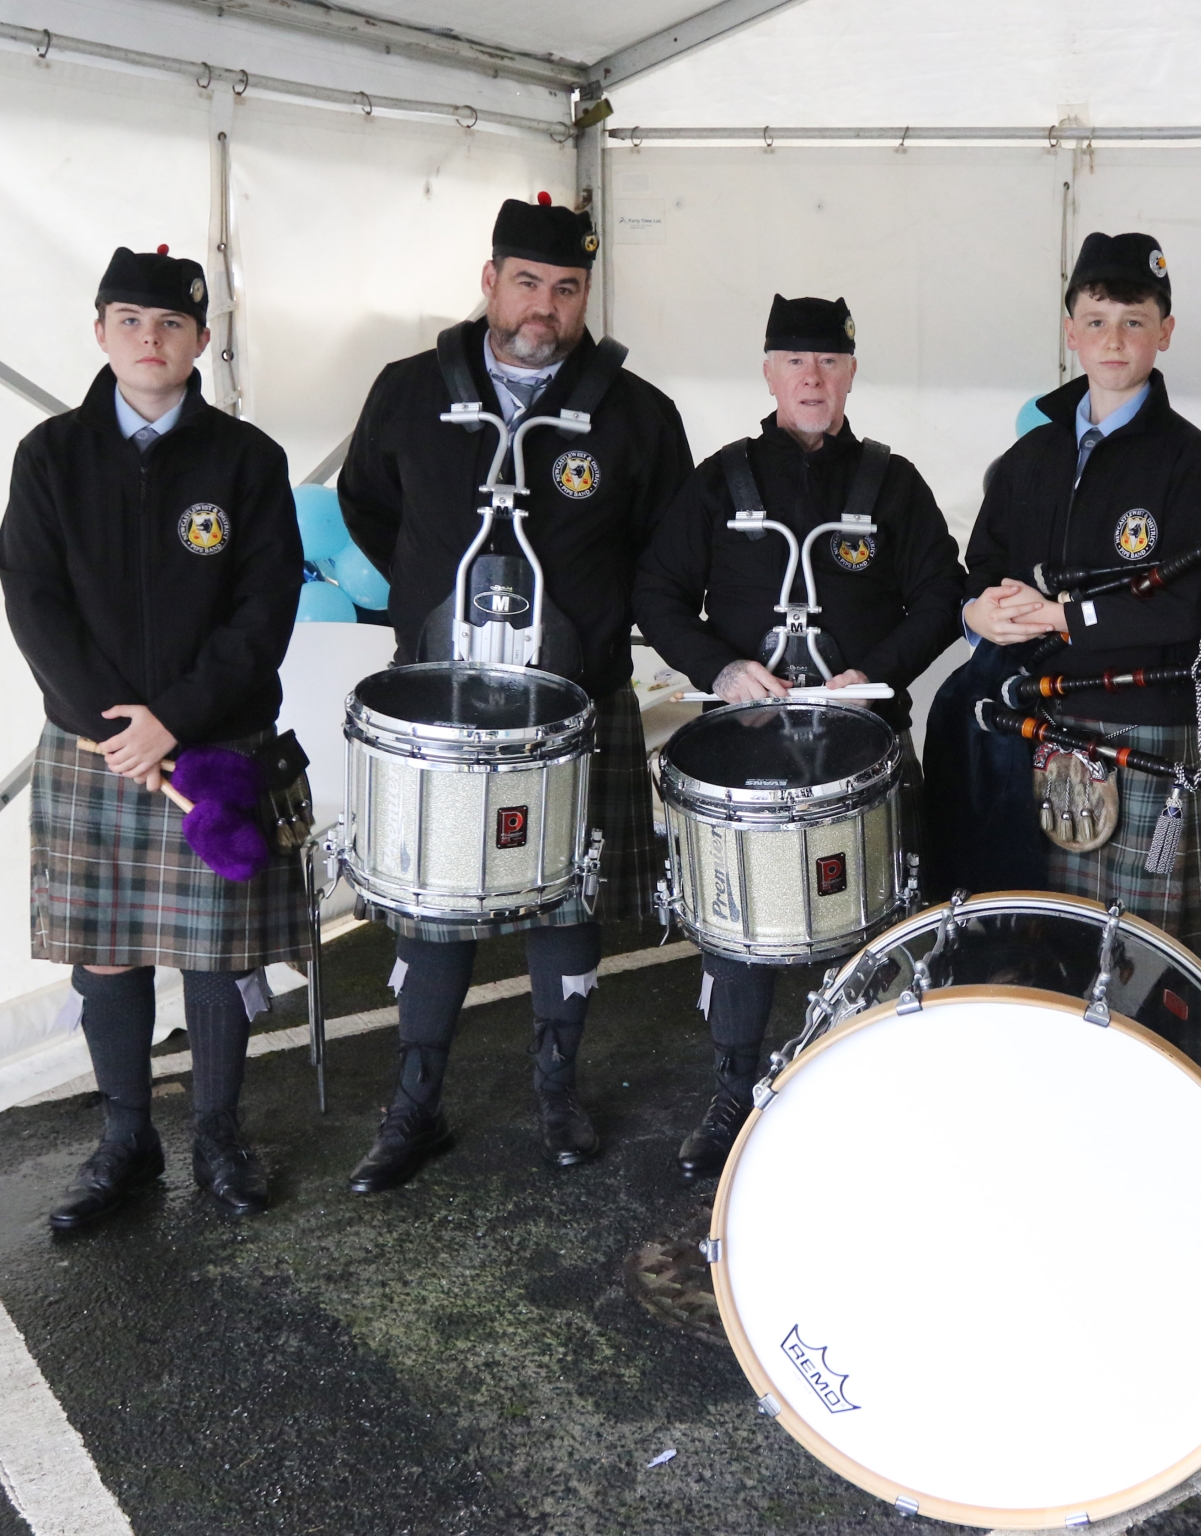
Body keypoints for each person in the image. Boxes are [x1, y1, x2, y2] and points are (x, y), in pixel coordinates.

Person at [338, 193, 693, 1191]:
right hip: (442, 703)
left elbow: (668, 545)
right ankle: (416, 1104)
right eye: (528, 282)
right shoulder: (409, 391)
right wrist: (425, 590)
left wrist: (594, 610)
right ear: (490, 281)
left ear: (586, 297)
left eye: (567, 289)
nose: (545, 306)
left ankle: (556, 1086)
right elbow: (370, 505)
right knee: (433, 899)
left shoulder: (638, 413)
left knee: (566, 890)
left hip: (576, 699)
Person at [1, 246, 305, 1226]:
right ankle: (126, 1141)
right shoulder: (49, 455)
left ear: (201, 340)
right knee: (109, 952)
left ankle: (218, 1135)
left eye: (170, 323)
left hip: (212, 745)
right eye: (129, 320)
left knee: (216, 954)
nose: (149, 338)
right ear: (99, 332)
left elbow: (263, 615)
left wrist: (173, 719)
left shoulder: (247, 460)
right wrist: (113, 727)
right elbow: (35, 601)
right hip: (94, 752)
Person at [635, 294, 964, 1180]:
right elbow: (658, 593)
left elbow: (943, 594)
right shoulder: (719, 480)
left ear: (852, 373)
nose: (811, 378)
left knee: (875, 919)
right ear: (770, 372)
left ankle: (857, 1082)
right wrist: (720, 668)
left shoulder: (893, 484)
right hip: (744, 747)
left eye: (829, 363)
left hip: (864, 745)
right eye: (794, 362)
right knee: (741, 929)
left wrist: (871, 673)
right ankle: (734, 1091)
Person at [960, 232, 1201, 942]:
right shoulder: (1028, 456)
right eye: (1098, 320)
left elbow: (1183, 605)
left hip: (1141, 714)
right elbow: (982, 565)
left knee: (1140, 946)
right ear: (1071, 330)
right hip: (1032, 724)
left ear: (1164, 333)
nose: (1115, 340)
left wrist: (1063, 615)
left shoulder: (1190, 459)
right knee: (1041, 933)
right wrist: (978, 610)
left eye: (1136, 320)